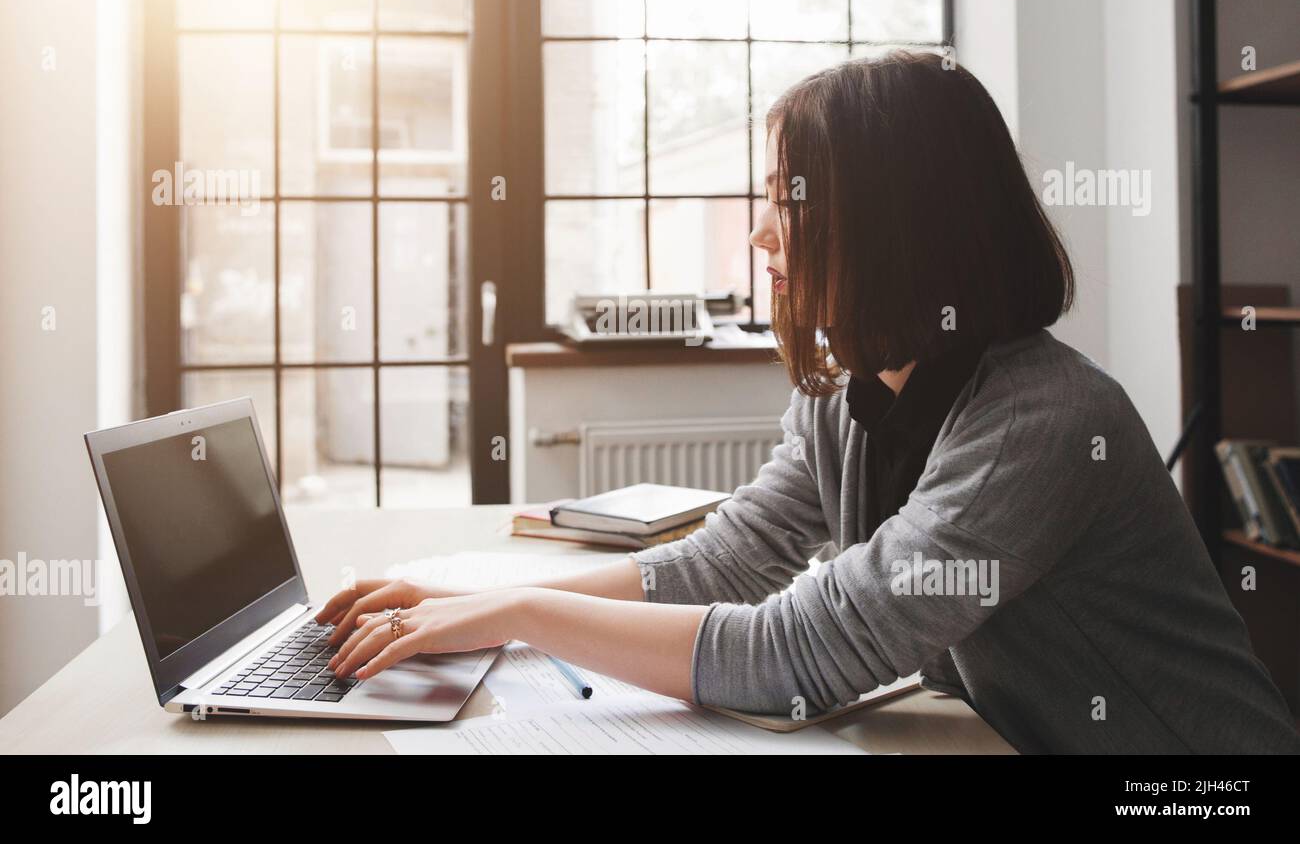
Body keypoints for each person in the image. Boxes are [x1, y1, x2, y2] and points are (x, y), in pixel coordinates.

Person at [317, 51, 1300, 754]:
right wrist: (467, 602)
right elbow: (727, 561)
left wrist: (524, 611)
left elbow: (802, 650)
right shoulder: (851, 391)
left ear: (894, 222)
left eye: (788, 200)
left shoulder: (1046, 422)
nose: (759, 236)